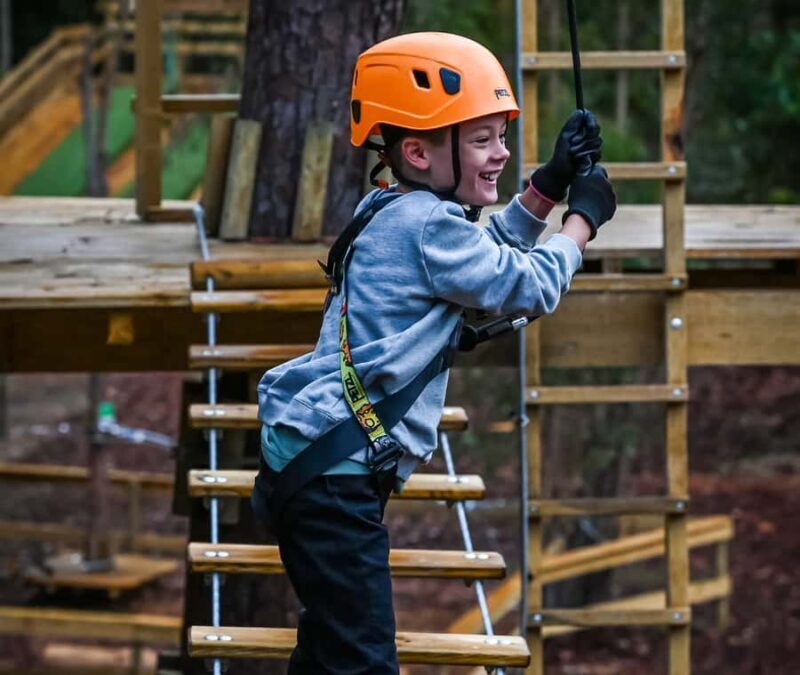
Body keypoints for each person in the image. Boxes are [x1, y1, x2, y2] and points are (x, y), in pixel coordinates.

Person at [251, 31, 616, 674]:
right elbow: (526, 284)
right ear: (418, 151)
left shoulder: (393, 208)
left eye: (502, 136)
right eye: (482, 140)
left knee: (332, 650)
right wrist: (579, 221)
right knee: (362, 661)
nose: (500, 152)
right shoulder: (425, 225)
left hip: (316, 466)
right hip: (334, 480)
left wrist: (548, 185)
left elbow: (484, 260)